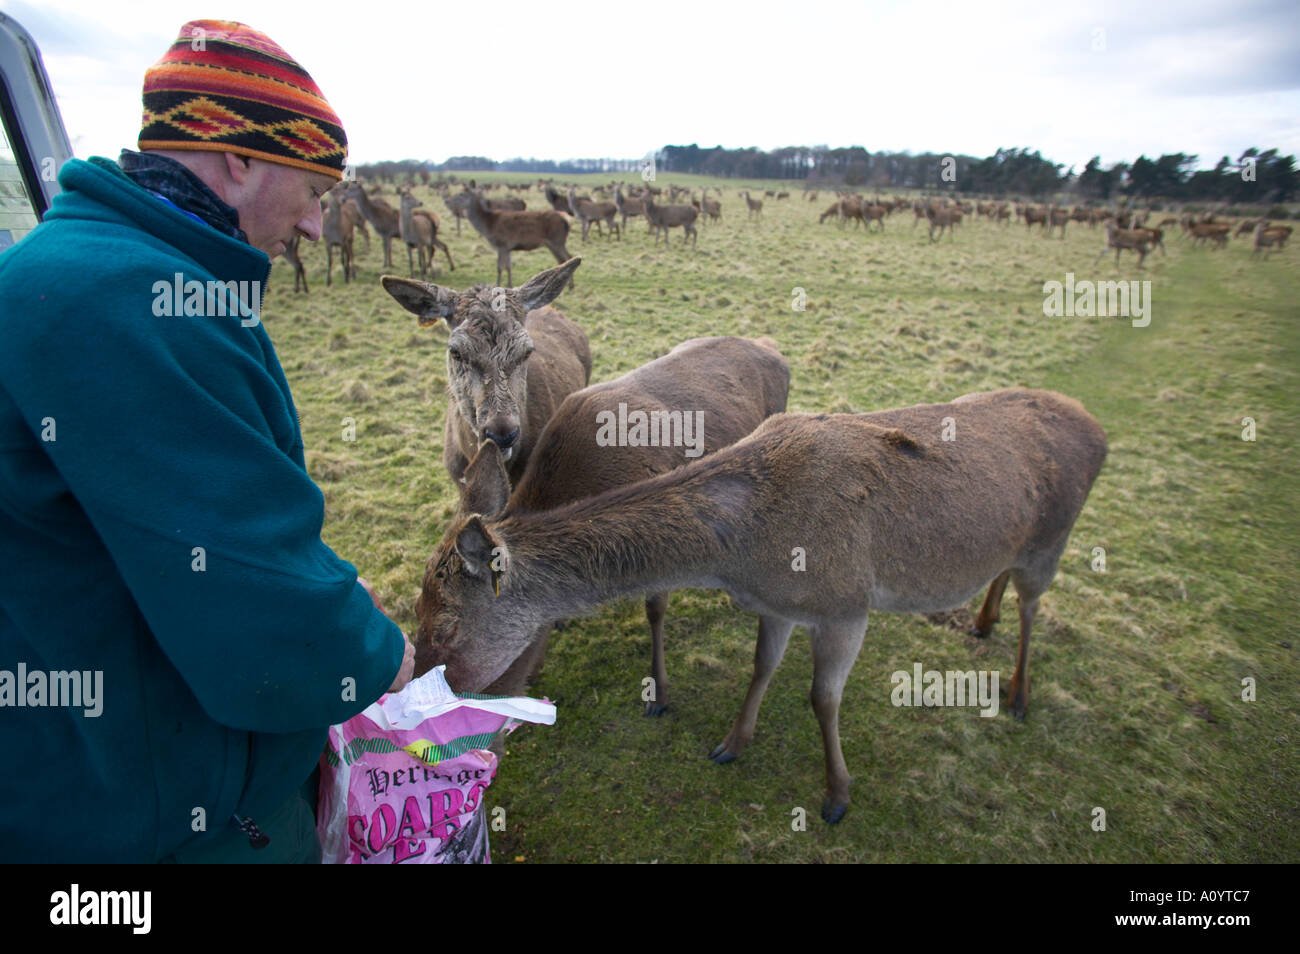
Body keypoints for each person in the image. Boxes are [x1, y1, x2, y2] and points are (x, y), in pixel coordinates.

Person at [0, 19, 413, 862]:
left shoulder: (85, 265)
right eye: (314, 194)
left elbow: (177, 528)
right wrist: (375, 652)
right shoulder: (132, 303)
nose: (311, 230)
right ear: (239, 161)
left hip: (98, 763)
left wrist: (320, 582)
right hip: (155, 816)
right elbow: (250, 600)